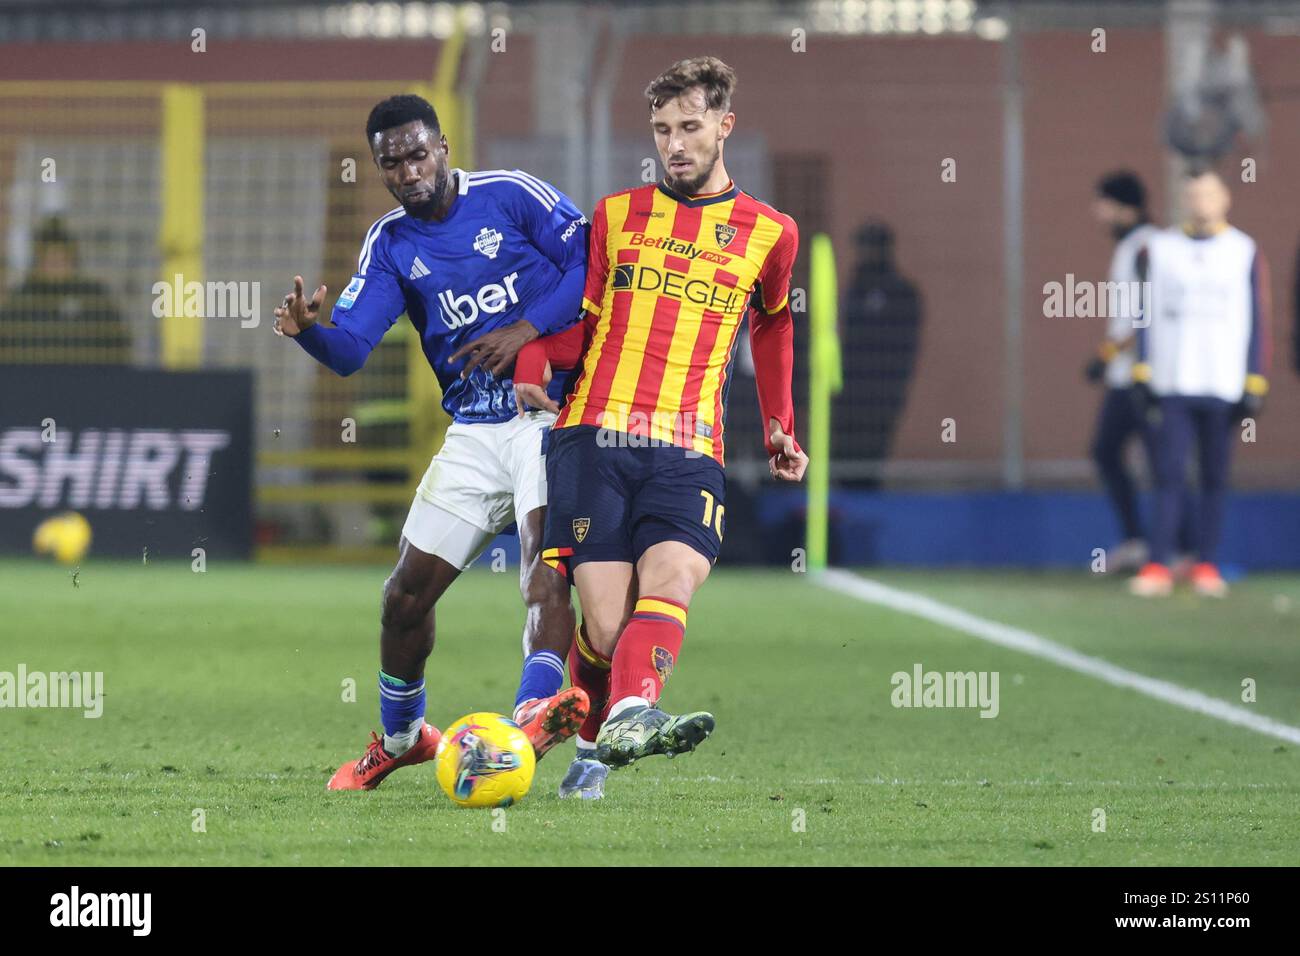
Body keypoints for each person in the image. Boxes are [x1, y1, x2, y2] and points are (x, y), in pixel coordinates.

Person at [273, 94, 591, 789]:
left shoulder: (510, 196)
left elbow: (587, 265)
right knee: (403, 598)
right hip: (474, 432)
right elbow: (353, 348)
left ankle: (531, 720)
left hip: (552, 412)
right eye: (392, 163)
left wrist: (527, 330)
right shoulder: (390, 244)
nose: (409, 171)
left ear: (444, 146)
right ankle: (404, 736)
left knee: (545, 572)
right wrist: (310, 334)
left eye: (419, 154)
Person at [512, 57, 807, 799]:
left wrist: (781, 424)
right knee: (606, 632)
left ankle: (629, 715)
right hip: (593, 437)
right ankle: (591, 732)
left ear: (723, 126)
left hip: (688, 447)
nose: (674, 144)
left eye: (689, 127)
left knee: (673, 579)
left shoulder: (771, 233)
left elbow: (771, 328)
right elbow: (578, 326)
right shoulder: (615, 215)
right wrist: (530, 365)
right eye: (662, 130)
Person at [1128, 169, 1271, 598]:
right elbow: (1145, 310)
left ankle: (1206, 563)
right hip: (1174, 380)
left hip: (1223, 381)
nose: (1200, 202)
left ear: (1225, 198)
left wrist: (1255, 378)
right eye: (1192, 195)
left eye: (1208, 194)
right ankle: (1159, 562)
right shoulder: (1162, 248)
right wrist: (1143, 368)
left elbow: (1257, 318)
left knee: (1215, 476)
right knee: (1169, 473)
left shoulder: (1243, 250)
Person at [1084, 171, 1194, 571]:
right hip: (1126, 375)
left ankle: (1181, 550)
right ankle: (1139, 541)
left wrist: (1108, 352)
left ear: (1123, 206)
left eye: (1103, 205)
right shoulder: (1132, 246)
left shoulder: (1148, 247)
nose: (1098, 214)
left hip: (1146, 375)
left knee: (1161, 462)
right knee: (1110, 451)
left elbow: (1149, 314)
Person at [0, 215, 130, 363]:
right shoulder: (20, 302)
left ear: (72, 259)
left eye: (61, 259)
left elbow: (118, 347)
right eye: (50, 260)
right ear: (38, 261)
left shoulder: (93, 299)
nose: (56, 266)